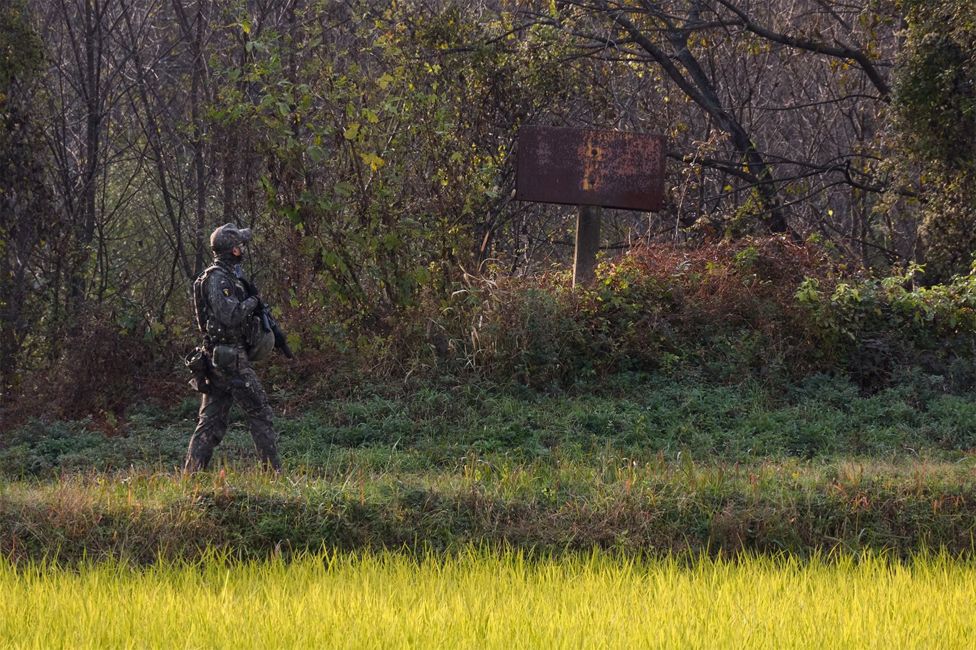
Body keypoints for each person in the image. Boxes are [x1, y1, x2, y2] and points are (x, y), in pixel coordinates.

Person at [184, 223, 282, 472]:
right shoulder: (218, 279)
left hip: (221, 357)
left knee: (210, 422)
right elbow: (230, 315)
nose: (243, 248)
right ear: (234, 251)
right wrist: (253, 301)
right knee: (260, 411)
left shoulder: (225, 276)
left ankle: (192, 477)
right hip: (229, 358)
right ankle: (273, 474)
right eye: (241, 245)